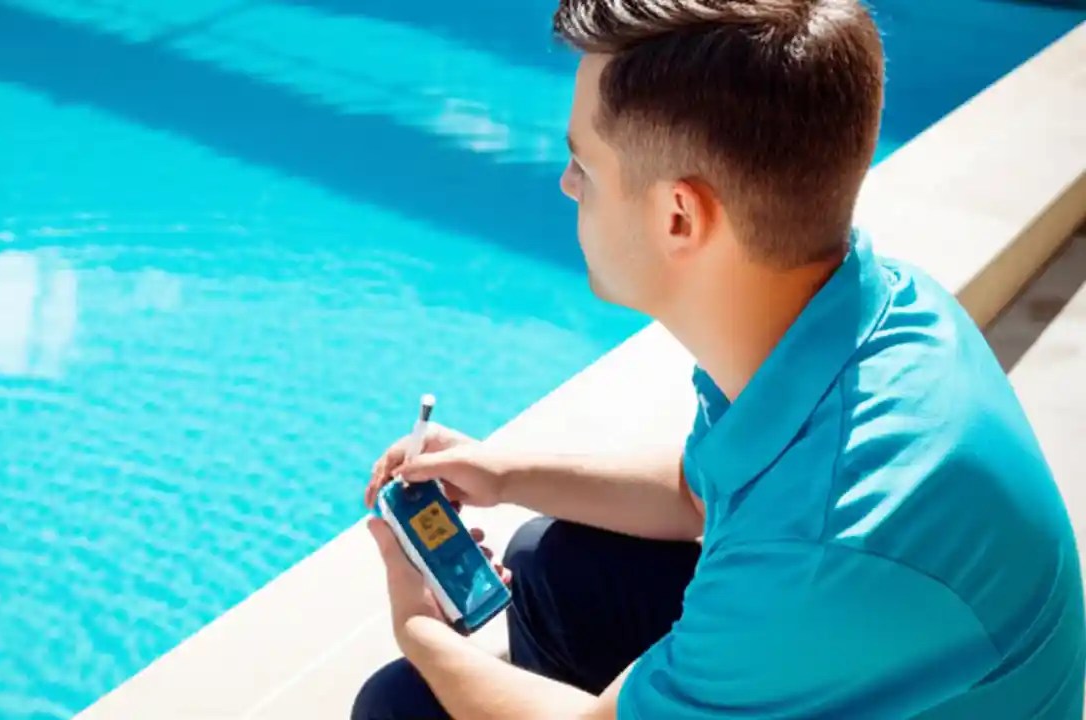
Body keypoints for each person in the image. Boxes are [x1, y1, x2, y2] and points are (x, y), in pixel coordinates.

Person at [353, 0, 1085, 718]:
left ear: (679, 216)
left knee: (397, 705)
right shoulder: (867, 308)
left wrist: (416, 628)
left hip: (831, 601)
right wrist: (505, 472)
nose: (566, 184)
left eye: (584, 164)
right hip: (872, 647)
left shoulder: (822, 546)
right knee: (554, 561)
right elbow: (703, 490)